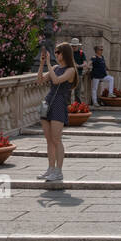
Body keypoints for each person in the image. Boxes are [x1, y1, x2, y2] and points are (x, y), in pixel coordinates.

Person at [37, 42, 77, 183]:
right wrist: (42, 64)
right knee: (48, 139)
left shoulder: (71, 70)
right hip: (47, 102)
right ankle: (50, 168)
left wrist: (48, 62)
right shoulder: (55, 67)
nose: (56, 54)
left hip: (59, 103)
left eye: (58, 52)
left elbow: (56, 80)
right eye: (55, 52)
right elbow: (40, 80)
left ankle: (58, 171)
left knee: (56, 139)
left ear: (64, 53)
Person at [71, 38, 88, 103]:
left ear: (78, 46)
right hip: (70, 74)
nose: (74, 47)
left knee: (77, 91)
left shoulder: (81, 53)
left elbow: (85, 63)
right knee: (68, 91)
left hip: (79, 74)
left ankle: (77, 106)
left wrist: (78, 66)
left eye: (75, 46)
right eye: (73, 46)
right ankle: (68, 107)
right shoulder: (69, 53)